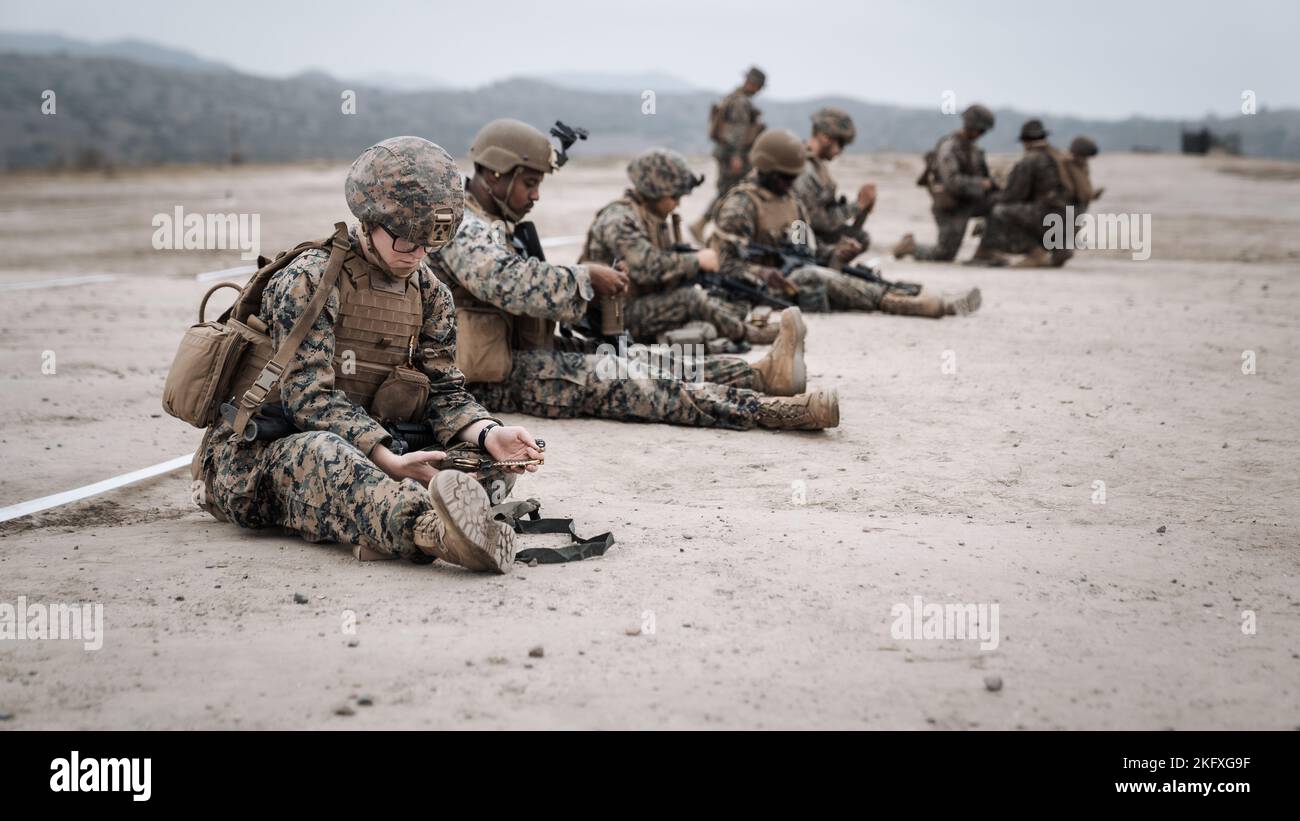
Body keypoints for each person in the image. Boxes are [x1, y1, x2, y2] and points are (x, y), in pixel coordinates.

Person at [195, 137, 541, 575]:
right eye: (405, 241)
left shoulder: (429, 291)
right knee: (326, 455)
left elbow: (446, 392)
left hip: (379, 447)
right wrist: (389, 461)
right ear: (369, 220)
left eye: (430, 243)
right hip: (263, 456)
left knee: (484, 463)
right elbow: (309, 400)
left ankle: (395, 512)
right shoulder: (311, 281)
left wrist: (488, 433)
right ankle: (435, 532)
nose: (417, 254)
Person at [429, 119, 839, 432]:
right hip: (488, 381)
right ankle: (772, 411)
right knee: (634, 382)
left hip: (519, 355)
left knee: (645, 359)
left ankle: (763, 375)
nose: (535, 195)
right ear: (498, 173)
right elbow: (509, 284)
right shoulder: (464, 225)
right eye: (530, 183)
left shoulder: (491, 222)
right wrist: (585, 277)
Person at [713, 128, 982, 318]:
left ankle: (917, 295)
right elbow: (725, 266)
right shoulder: (742, 206)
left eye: (792, 178)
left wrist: (836, 253)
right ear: (765, 169)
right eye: (784, 178)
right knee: (812, 275)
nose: (790, 183)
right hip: (758, 290)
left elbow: (807, 250)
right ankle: (915, 304)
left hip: (796, 280)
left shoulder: (791, 202)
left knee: (857, 273)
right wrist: (762, 273)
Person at [581, 147, 779, 347]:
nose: (678, 204)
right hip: (614, 317)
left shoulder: (653, 219)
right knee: (690, 299)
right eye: (674, 197)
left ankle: (713, 334)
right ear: (654, 191)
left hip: (638, 306)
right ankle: (747, 334)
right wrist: (697, 261)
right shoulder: (619, 218)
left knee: (721, 298)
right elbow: (645, 267)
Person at [893, 104, 998, 263]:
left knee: (998, 203)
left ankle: (986, 249)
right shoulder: (949, 147)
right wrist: (981, 184)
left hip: (968, 201)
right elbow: (952, 182)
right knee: (944, 255)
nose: (980, 134)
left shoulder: (973, 150)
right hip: (951, 206)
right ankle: (911, 247)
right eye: (980, 129)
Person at [970, 119, 1068, 267]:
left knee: (999, 211)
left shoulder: (1031, 159)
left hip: (1046, 215)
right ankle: (1055, 249)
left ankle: (1035, 252)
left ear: (1025, 141)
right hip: (1066, 215)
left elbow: (1013, 195)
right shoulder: (1057, 156)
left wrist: (987, 202)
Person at [689, 66, 767, 243]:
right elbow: (736, 132)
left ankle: (706, 225)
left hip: (729, 153)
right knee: (728, 192)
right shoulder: (740, 102)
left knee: (728, 191)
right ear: (753, 84)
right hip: (732, 155)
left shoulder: (734, 98)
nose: (759, 91)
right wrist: (736, 156)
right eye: (759, 86)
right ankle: (703, 225)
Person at [793, 106, 876, 253]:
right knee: (858, 240)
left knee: (858, 239)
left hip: (808, 233)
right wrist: (858, 205)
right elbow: (817, 221)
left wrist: (862, 207)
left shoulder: (817, 166)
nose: (841, 151)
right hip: (798, 236)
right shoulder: (805, 169)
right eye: (841, 143)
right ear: (825, 137)